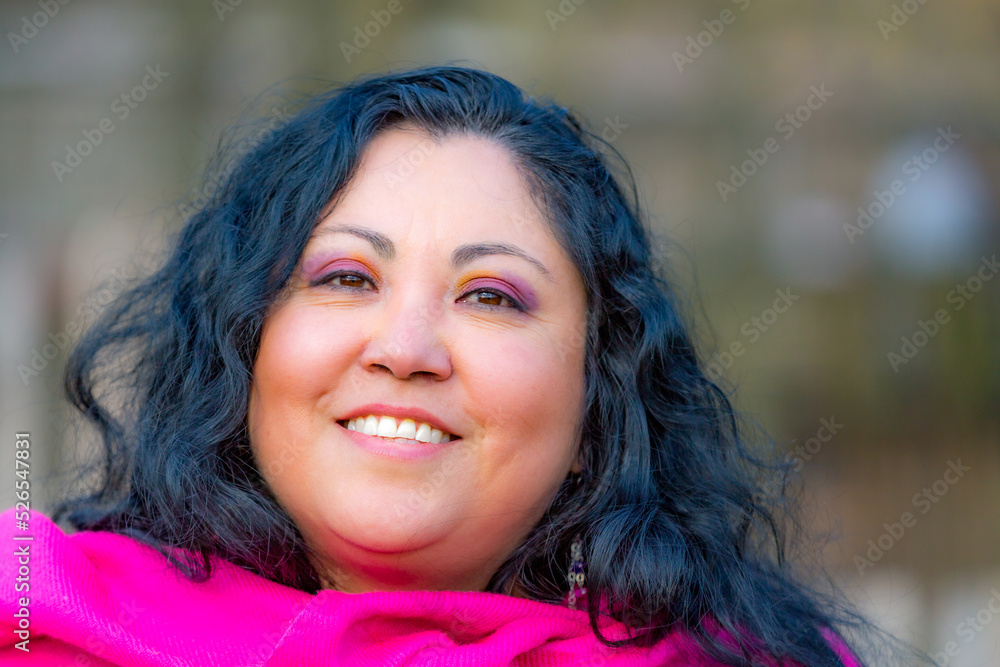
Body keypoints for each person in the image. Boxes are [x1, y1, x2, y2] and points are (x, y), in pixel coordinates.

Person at [0, 65, 916, 665]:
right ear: (245, 347)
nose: (404, 349)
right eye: (347, 277)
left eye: (490, 296)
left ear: (597, 397)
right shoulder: (39, 622)